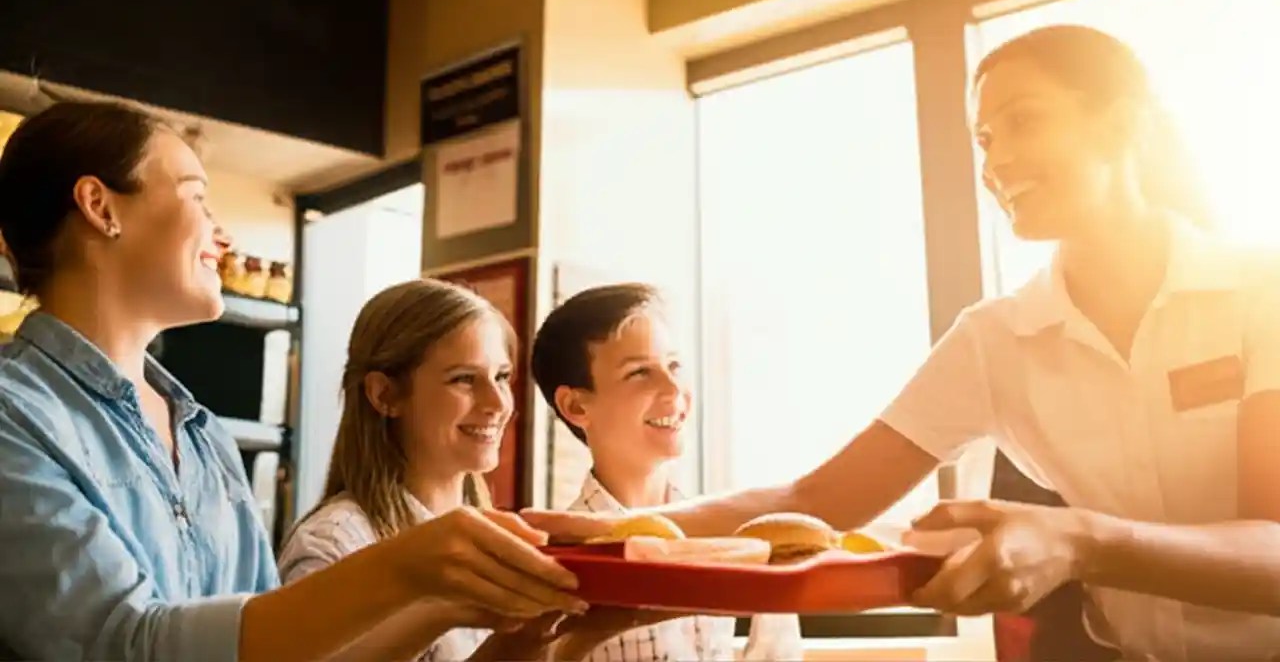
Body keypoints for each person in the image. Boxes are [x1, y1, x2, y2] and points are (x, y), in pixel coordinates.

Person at [523, 25, 1280, 662]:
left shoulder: (1260, 288)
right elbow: (815, 501)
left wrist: (1077, 540)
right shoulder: (997, 338)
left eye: (1024, 120)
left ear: (1123, 124)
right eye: (984, 137)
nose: (995, 161)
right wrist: (608, 533)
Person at [0, 101, 584, 662]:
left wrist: (454, 606)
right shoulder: (15, 416)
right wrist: (406, 568)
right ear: (101, 207)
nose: (221, 233)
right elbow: (124, 647)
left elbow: (274, 647)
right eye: (197, 198)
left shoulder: (204, 438)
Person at [279, 278, 677, 661]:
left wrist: (577, 637)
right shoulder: (334, 544)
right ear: (385, 394)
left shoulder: (502, 539)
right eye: (464, 379)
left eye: (502, 377)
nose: (497, 403)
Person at [530, 283, 803, 662]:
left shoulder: (721, 535)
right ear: (576, 405)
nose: (674, 389)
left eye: (674, 365)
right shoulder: (560, 561)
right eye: (640, 372)